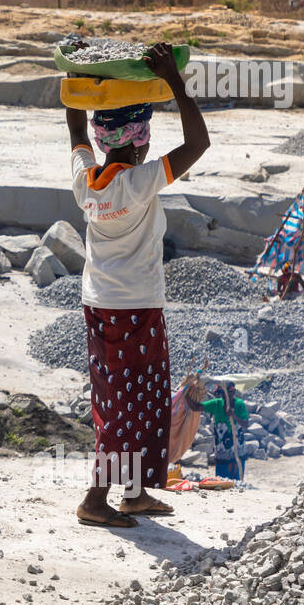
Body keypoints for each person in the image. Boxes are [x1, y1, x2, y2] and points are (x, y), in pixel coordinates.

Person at [66, 42, 211, 527]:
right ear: (140, 140)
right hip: (133, 308)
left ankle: (132, 494)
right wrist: (174, 80)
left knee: (130, 395)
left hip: (101, 305)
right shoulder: (139, 181)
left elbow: (75, 134)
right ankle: (95, 499)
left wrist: (79, 85)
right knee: (129, 402)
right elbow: (198, 146)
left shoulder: (87, 180)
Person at [188, 381, 251, 480]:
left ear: (233, 393)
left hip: (237, 450)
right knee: (221, 481)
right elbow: (196, 407)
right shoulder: (217, 403)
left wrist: (234, 416)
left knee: (236, 481)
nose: (226, 397)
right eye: (223, 394)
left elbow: (246, 424)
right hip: (221, 451)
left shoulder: (239, 404)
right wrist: (186, 394)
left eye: (228, 394)